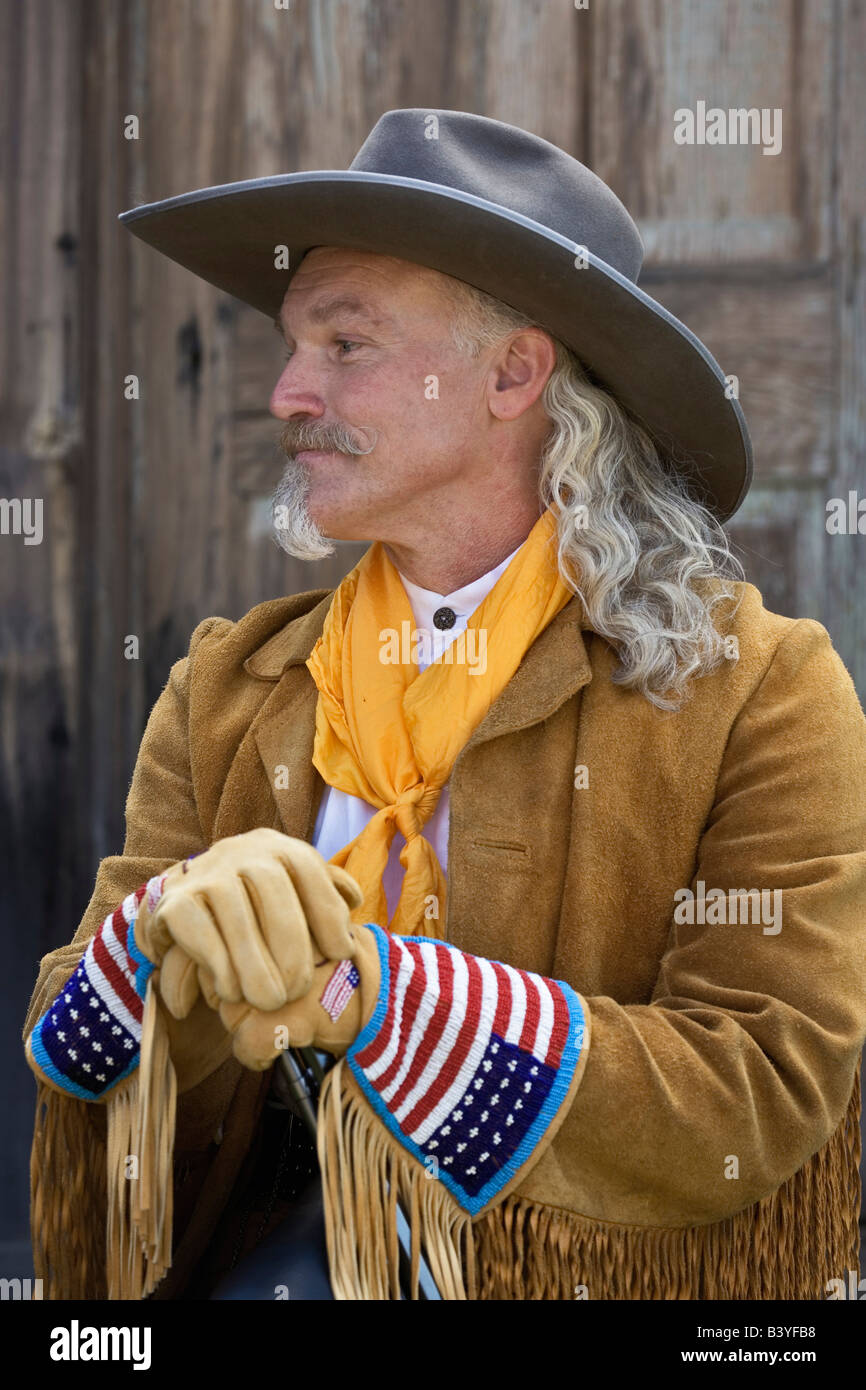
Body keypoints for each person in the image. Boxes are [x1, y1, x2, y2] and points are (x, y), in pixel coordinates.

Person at [23, 108, 866, 1301]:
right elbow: (74, 1057)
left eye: (345, 344)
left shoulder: (762, 692)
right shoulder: (224, 689)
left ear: (512, 373)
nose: (285, 393)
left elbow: (759, 1086)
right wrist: (165, 956)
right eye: (292, 345)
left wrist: (368, 992)